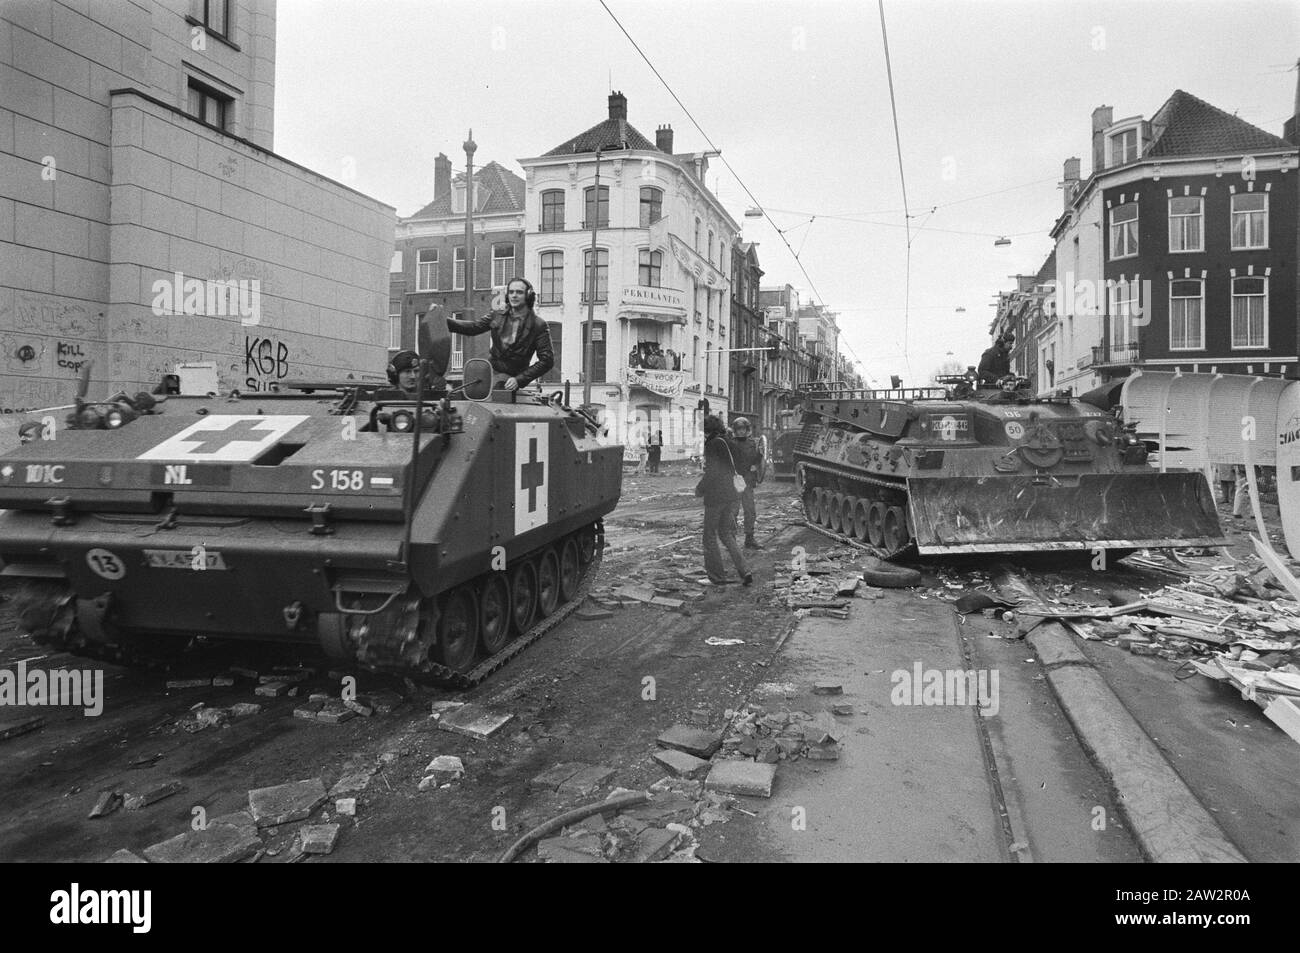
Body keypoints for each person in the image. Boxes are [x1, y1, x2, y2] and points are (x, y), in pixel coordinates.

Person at [445, 277, 553, 391]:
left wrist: (519, 379)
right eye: (511, 292)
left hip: (512, 379)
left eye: (519, 292)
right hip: (490, 372)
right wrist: (442, 321)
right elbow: (474, 327)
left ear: (528, 295)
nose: (514, 296)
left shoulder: (538, 325)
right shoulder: (497, 315)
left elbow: (547, 360)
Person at [697, 415, 752, 586]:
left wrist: (700, 488)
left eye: (704, 431)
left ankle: (716, 577)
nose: (703, 435)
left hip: (716, 497)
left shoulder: (713, 444)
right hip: (732, 495)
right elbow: (743, 466)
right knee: (727, 534)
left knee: (709, 536)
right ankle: (745, 570)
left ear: (708, 430)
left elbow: (712, 471)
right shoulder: (731, 443)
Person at [727, 417, 764, 548]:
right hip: (736, 481)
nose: (741, 432)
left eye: (743, 429)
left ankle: (749, 538)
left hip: (748, 481)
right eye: (738, 429)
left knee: (750, 510)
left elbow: (757, 460)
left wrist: (757, 460)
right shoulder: (730, 444)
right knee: (733, 511)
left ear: (747, 429)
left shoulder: (753, 443)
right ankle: (731, 539)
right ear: (735, 430)